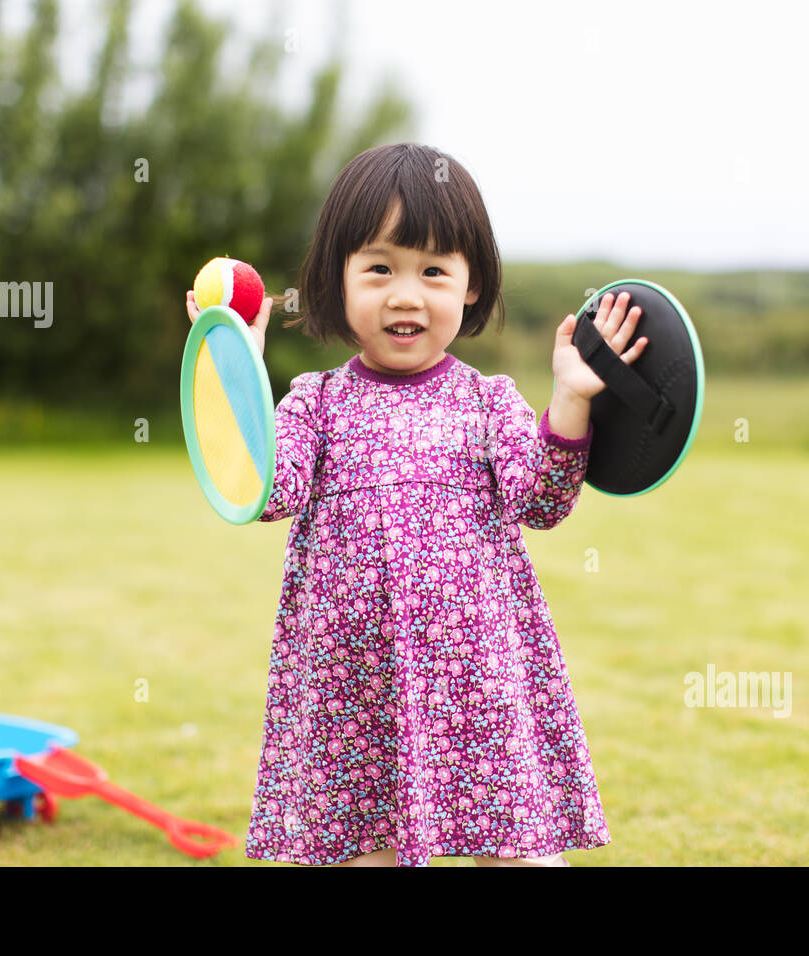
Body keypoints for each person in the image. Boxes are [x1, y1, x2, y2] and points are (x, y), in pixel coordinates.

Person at [185, 143, 648, 867]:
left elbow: (543, 500)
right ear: (337, 280)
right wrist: (233, 362)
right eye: (379, 268)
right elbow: (266, 494)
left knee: (517, 848)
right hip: (350, 686)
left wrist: (571, 398)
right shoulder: (316, 404)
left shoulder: (486, 400)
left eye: (434, 270)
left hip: (477, 677)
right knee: (364, 850)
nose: (406, 294)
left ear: (471, 286)